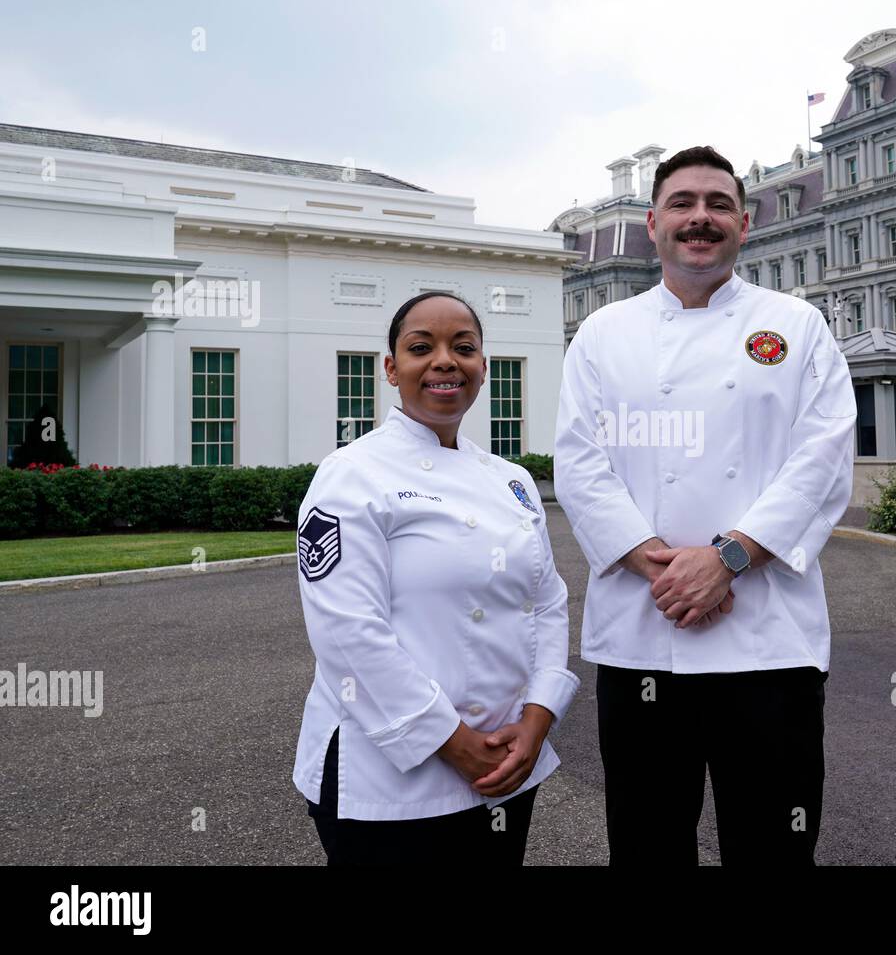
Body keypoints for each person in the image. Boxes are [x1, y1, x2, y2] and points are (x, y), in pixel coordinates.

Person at [553, 145, 856, 865]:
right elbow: (580, 462)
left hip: (769, 641)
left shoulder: (798, 325)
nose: (701, 218)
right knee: (647, 844)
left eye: (718, 205)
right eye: (684, 204)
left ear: (743, 224)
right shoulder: (603, 334)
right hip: (642, 637)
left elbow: (822, 456)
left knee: (774, 849)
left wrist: (725, 560)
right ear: (653, 223)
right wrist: (662, 567)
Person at [292, 290, 579, 866]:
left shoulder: (510, 480)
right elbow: (349, 634)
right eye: (422, 347)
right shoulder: (350, 475)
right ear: (392, 369)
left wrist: (538, 717)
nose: (445, 361)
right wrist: (452, 743)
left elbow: (545, 604)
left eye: (464, 347)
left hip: (507, 763)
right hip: (389, 780)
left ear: (482, 367)